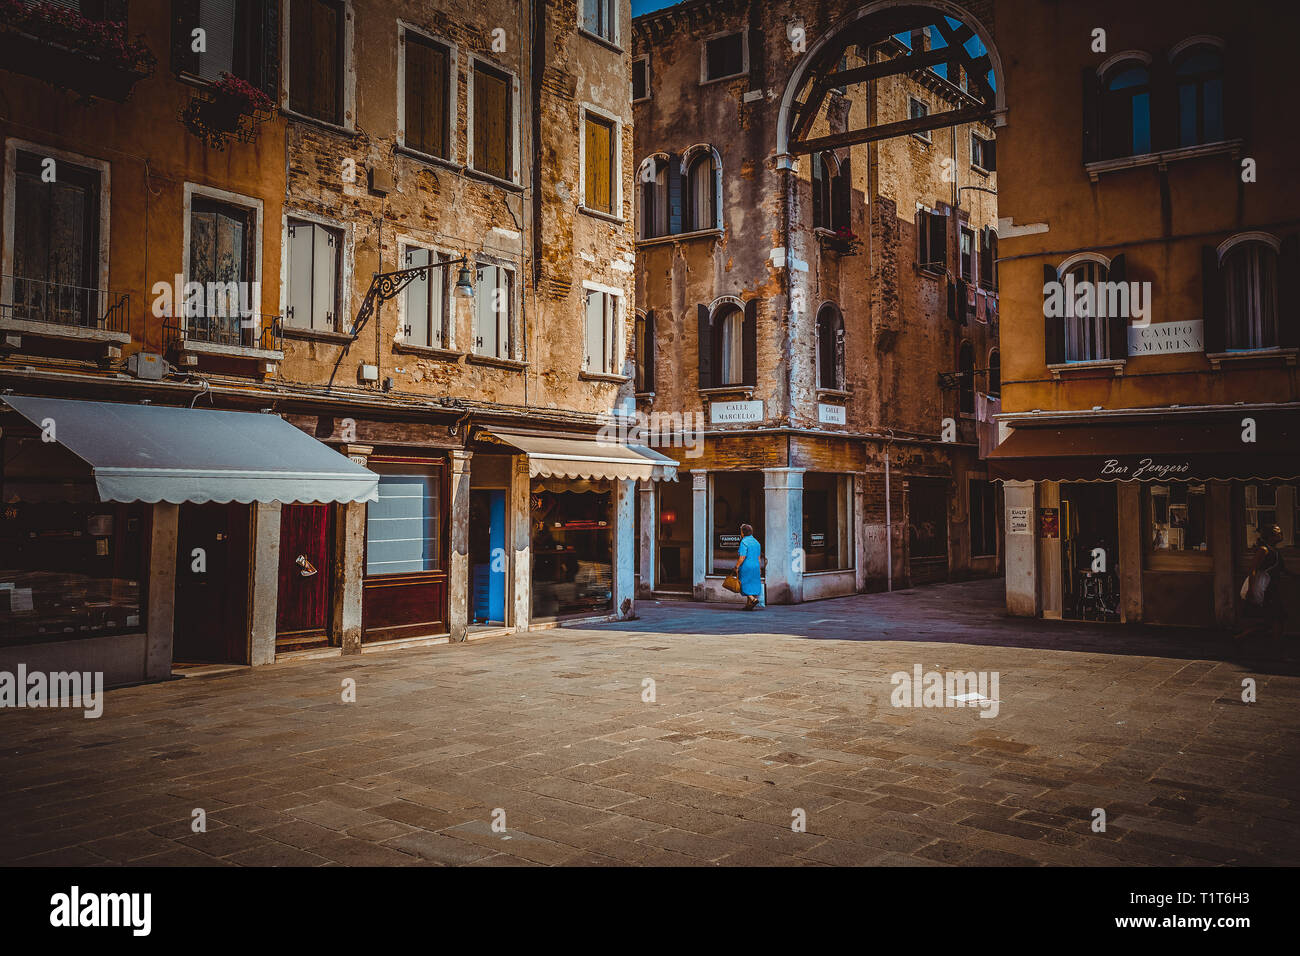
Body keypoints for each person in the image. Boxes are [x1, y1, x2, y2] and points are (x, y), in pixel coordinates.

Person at [1237, 524, 1287, 641]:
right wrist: (1251, 589)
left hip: (1272, 588)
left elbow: (1282, 569)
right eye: (1277, 533)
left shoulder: (1275, 551)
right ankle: (1241, 638)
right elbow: (1253, 569)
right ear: (1270, 536)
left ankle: (1241, 638)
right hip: (1266, 589)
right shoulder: (1264, 550)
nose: (1281, 535)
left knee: (1276, 618)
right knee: (1275, 619)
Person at [734, 523, 764, 611]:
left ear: (743, 533)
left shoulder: (744, 542)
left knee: (743, 583)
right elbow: (759, 558)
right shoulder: (756, 542)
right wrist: (759, 568)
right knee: (751, 584)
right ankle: (748, 605)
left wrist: (737, 566)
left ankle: (752, 599)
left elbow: (742, 557)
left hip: (746, 566)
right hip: (755, 566)